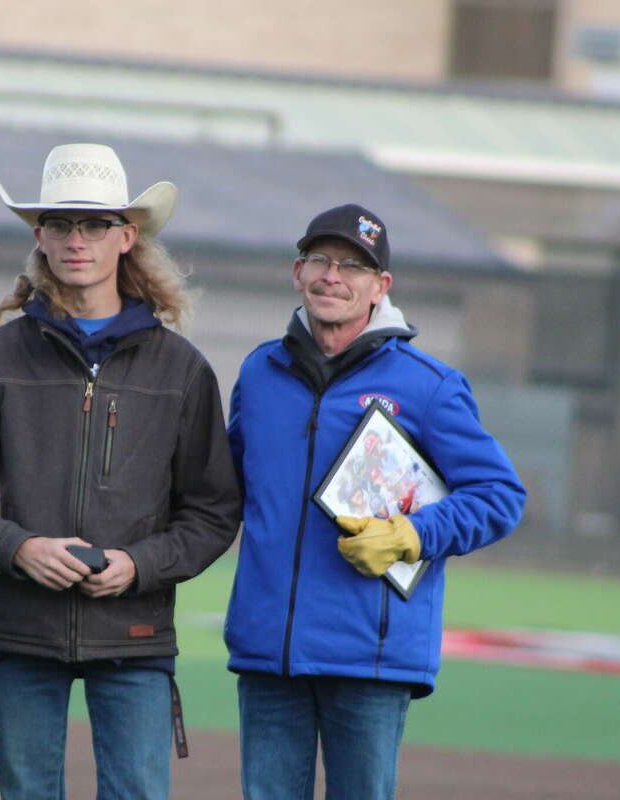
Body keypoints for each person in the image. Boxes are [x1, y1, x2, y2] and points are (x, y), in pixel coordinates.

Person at [0, 143, 241, 800]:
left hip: (135, 630)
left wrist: (140, 566)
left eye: (95, 224)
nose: (78, 239)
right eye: (63, 223)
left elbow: (214, 510)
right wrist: (20, 549)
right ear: (39, 234)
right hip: (22, 629)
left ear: (126, 235)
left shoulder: (180, 371)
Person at [223, 203, 526, 799]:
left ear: (380, 287)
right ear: (297, 271)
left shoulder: (428, 385)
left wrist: (415, 534)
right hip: (269, 653)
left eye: (353, 267)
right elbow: (218, 486)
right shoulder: (260, 372)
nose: (333, 277)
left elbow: (500, 495)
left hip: (369, 657)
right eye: (320, 260)